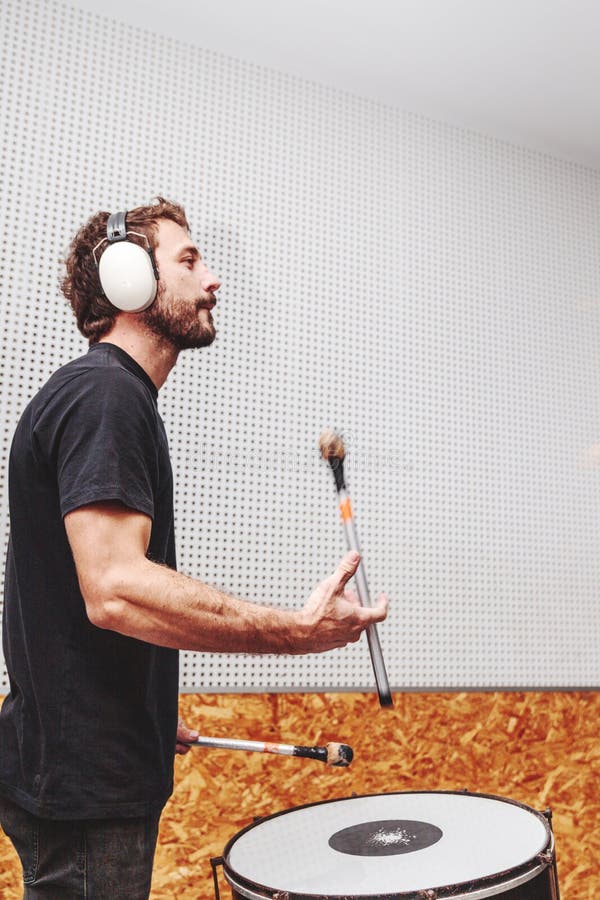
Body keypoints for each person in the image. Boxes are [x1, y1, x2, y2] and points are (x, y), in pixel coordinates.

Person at [0, 196, 388, 898]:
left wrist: (144, 705)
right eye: (189, 260)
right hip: (88, 782)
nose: (213, 280)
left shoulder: (105, 397)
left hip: (80, 763)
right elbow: (115, 588)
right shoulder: (105, 398)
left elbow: (74, 601)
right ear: (127, 282)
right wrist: (296, 634)